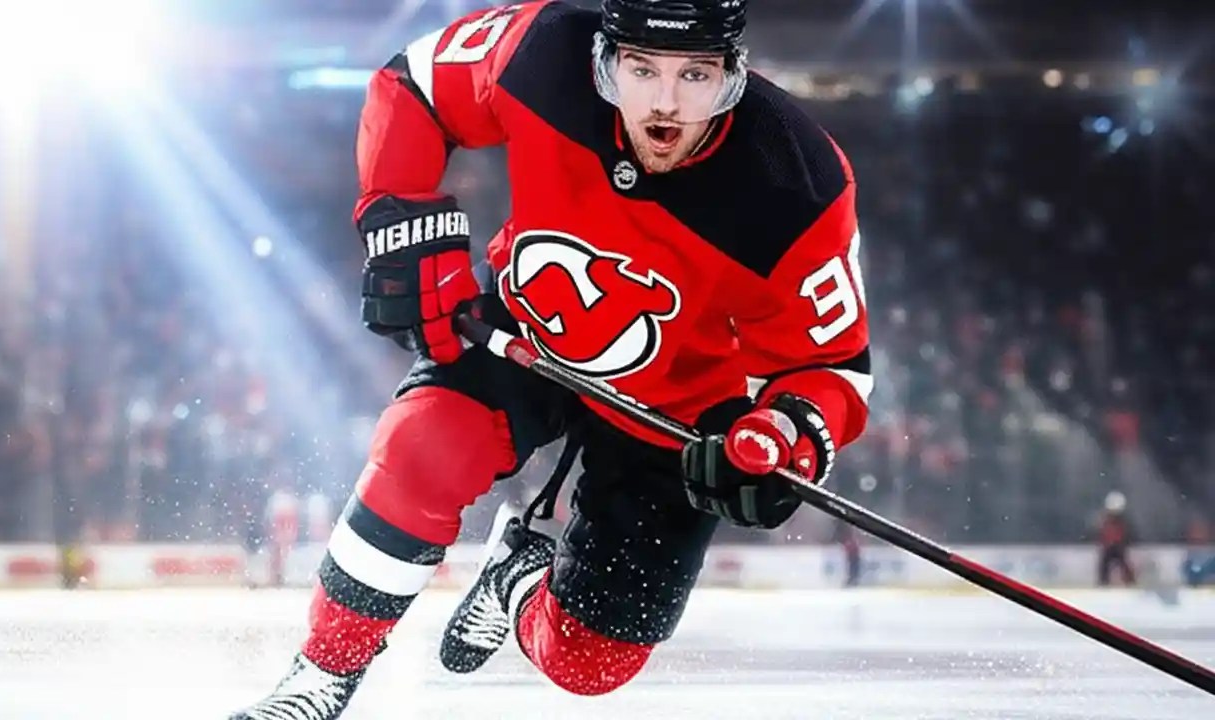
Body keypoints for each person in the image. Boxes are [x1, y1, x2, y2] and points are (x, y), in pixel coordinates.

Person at [230, 1, 872, 717]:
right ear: (604, 58)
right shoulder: (539, 47)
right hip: (531, 328)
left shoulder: (798, 182)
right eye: (641, 69)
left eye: (694, 73)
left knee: (589, 663)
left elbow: (830, 366)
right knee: (422, 447)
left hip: (679, 416)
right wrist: (398, 211)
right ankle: (319, 677)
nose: (664, 103)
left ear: (732, 73)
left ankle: (517, 581)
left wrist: (781, 437)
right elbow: (410, 86)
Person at [1095, 491, 1136, 586]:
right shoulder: (1106, 520)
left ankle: (1130, 581)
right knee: (1104, 565)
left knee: (1124, 565)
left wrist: (1124, 542)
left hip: (1118, 546)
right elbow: (1101, 532)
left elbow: (1127, 533)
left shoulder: (1122, 521)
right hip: (1109, 546)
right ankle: (1103, 583)